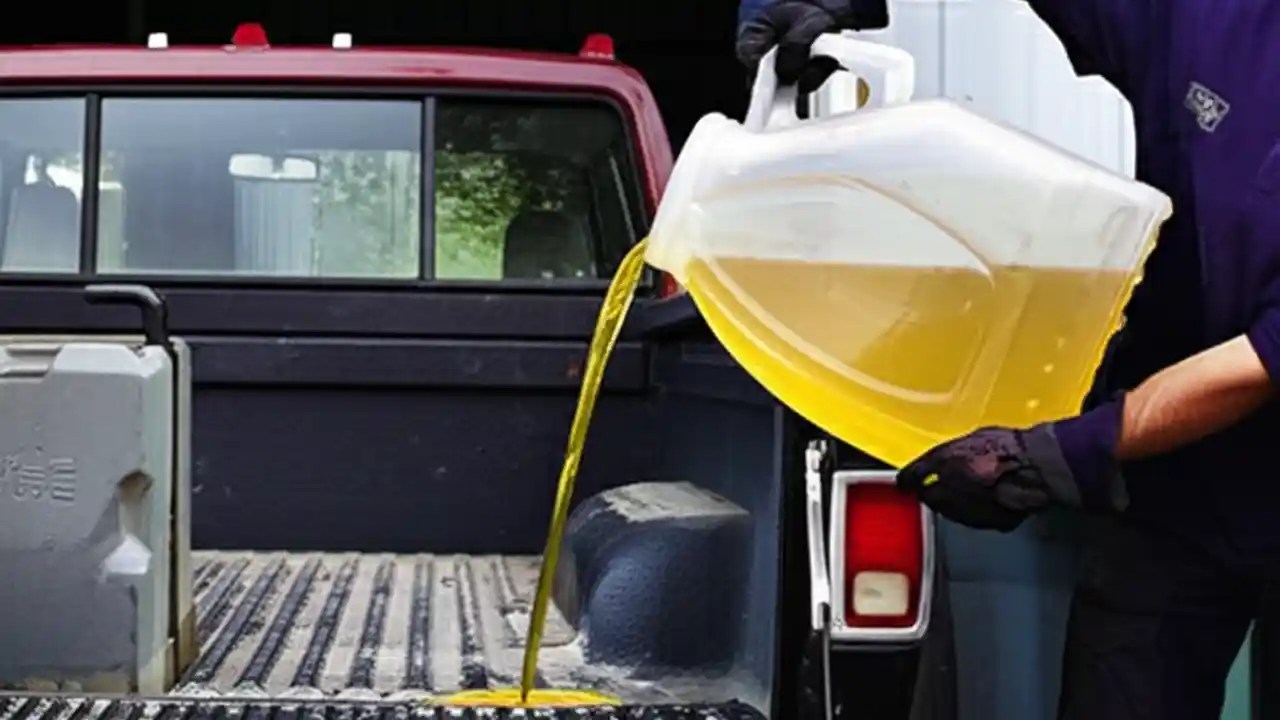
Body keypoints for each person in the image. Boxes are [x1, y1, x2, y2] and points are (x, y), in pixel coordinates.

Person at [738, 1, 1280, 718]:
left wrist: (1053, 455)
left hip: (1206, 422)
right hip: (1177, 498)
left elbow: (1261, 362)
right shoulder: (1207, 17)